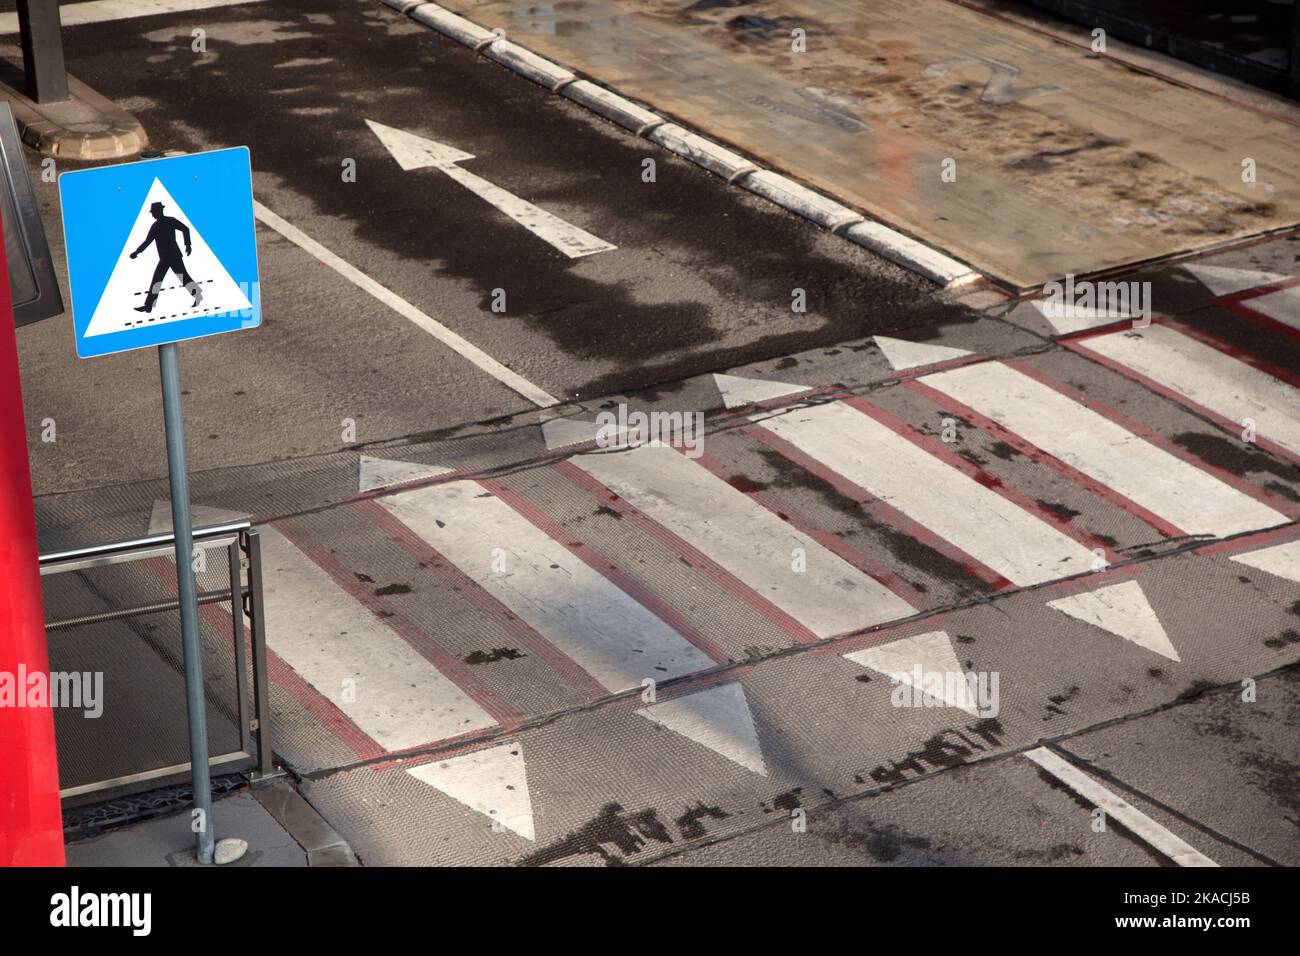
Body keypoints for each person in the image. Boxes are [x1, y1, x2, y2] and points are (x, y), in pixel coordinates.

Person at [130, 201, 203, 313]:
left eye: (153, 212)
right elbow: (147, 241)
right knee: (159, 279)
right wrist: (137, 252)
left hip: (173, 256)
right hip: (165, 257)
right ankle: (148, 306)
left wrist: (188, 245)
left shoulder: (168, 221)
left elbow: (185, 229)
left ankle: (197, 296)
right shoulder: (156, 225)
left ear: (159, 211)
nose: (152, 215)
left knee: (181, 277)